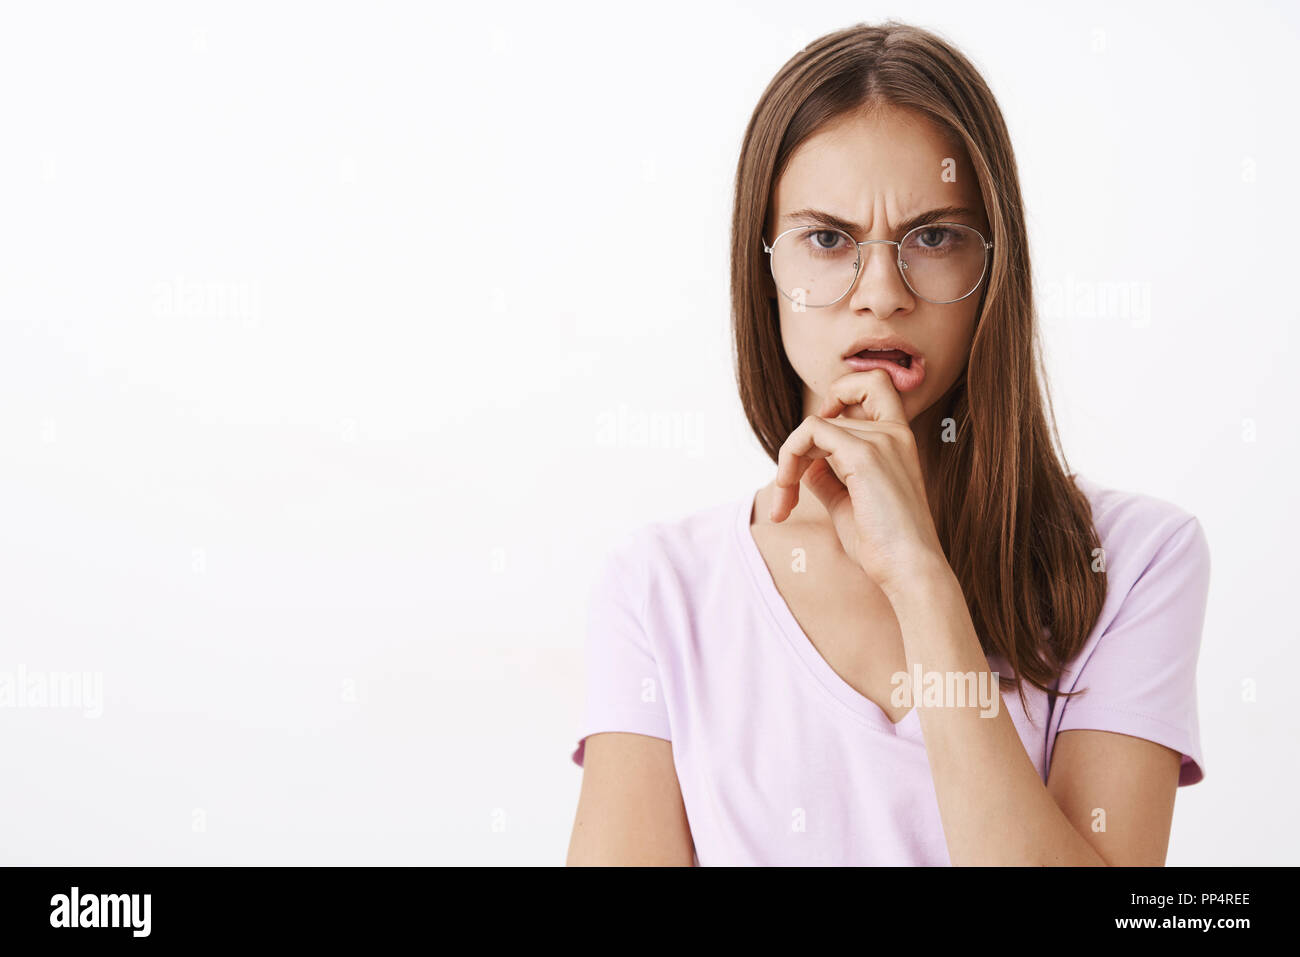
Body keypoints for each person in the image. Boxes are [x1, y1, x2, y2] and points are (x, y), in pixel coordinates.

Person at [566, 20, 1210, 866]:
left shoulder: (1136, 560)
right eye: (827, 239)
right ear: (763, 271)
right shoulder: (660, 590)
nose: (881, 293)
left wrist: (919, 576)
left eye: (934, 238)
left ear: (996, 267)